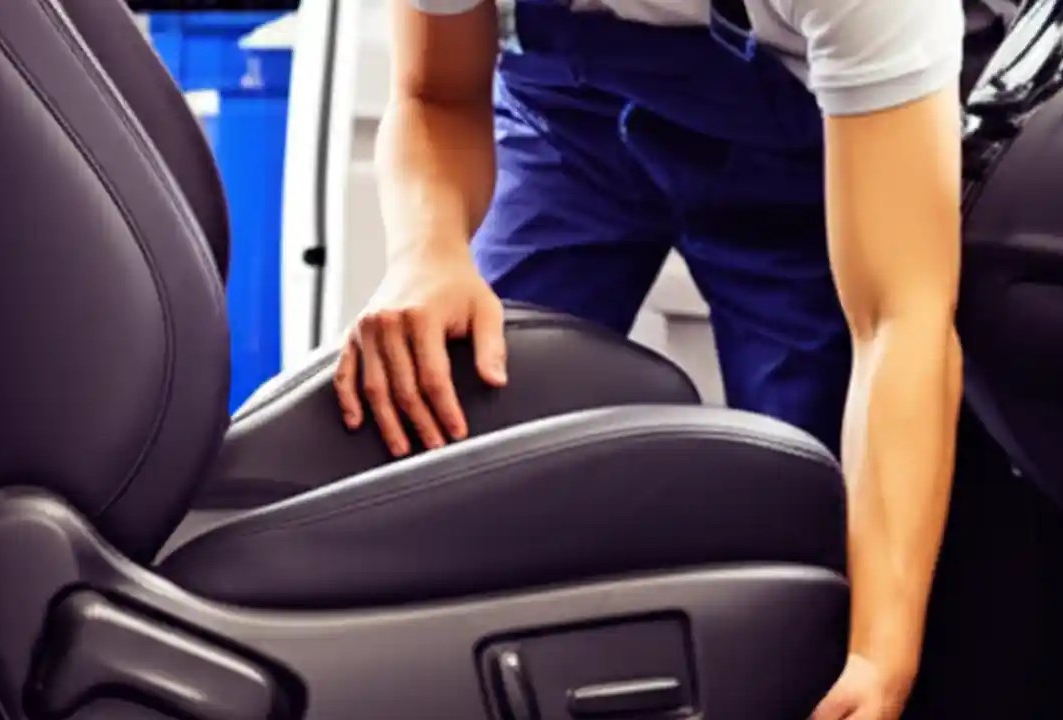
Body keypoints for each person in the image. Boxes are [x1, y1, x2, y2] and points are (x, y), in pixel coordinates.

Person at [334, 0, 965, 716]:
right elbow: (438, 95)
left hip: (801, 139)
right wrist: (427, 251)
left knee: (821, 520)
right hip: (565, 114)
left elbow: (898, 320)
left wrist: (879, 659)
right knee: (444, 409)